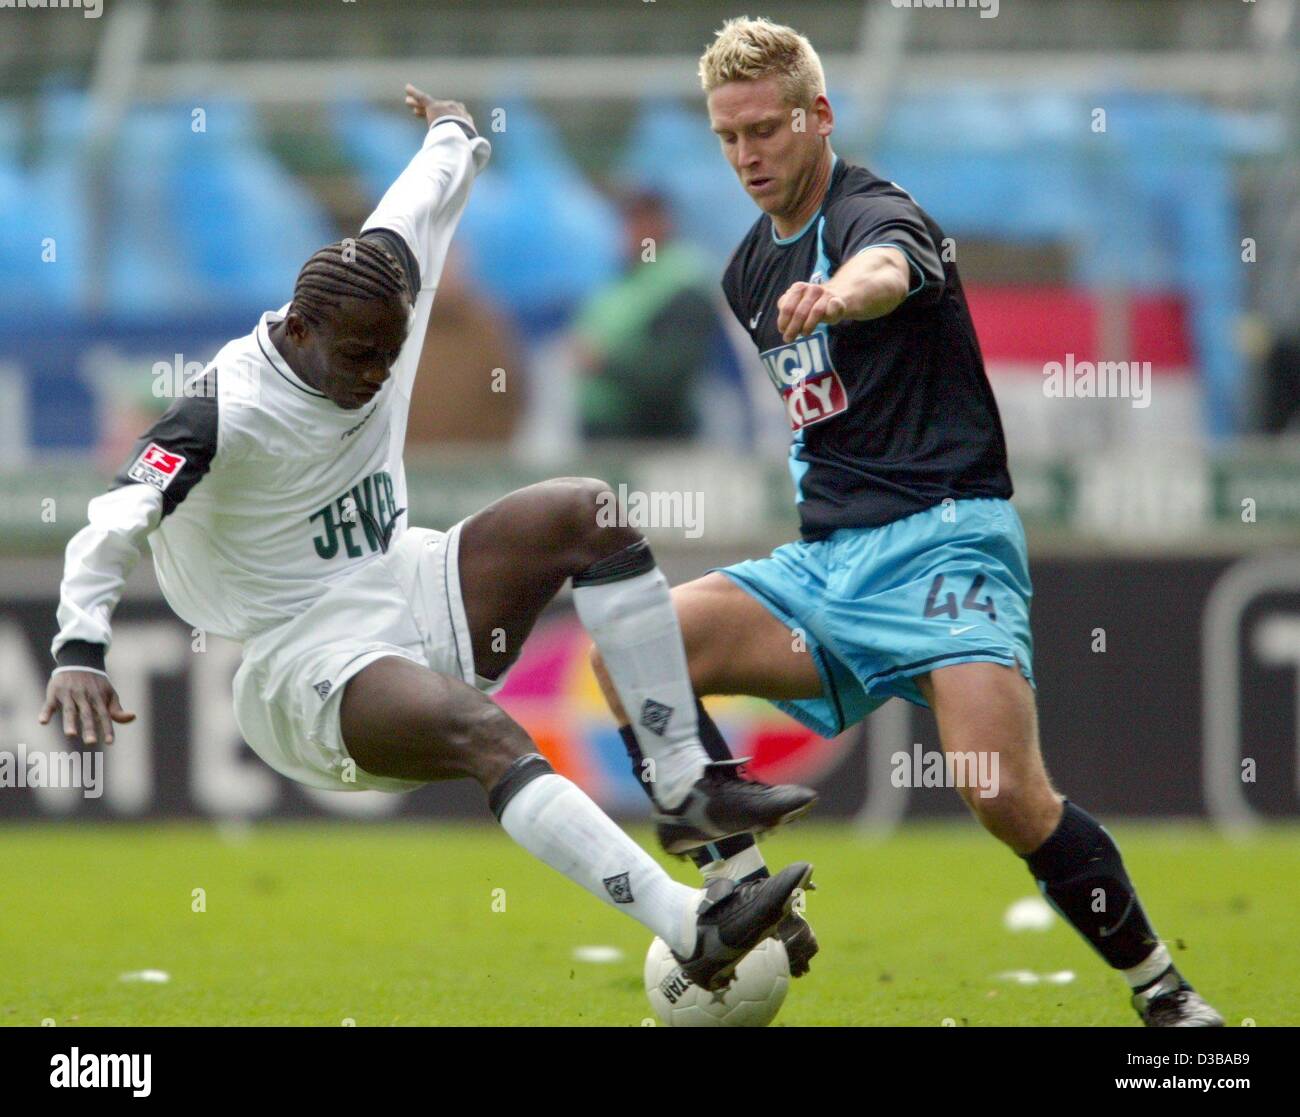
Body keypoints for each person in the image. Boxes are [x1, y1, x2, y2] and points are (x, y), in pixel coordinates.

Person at [38, 84, 815, 992]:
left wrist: (452, 126)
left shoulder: (385, 278)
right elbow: (114, 517)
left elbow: (428, 184)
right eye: (358, 356)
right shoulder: (224, 410)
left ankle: (692, 792)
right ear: (298, 329)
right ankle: (692, 922)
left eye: (389, 351)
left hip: (408, 579)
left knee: (585, 510)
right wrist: (79, 645)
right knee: (488, 731)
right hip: (300, 661)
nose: (376, 374)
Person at [591, 18, 1222, 1026]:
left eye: (766, 128)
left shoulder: (881, 213)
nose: (748, 154)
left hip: (945, 539)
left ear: (819, 116)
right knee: (634, 649)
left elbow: (884, 272)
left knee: (1000, 792)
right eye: (728, 136)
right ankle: (746, 888)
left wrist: (838, 296)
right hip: (828, 566)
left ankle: (1163, 991)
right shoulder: (746, 271)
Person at [573, 189, 720, 441]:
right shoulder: (622, 279)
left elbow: (667, 372)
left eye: (638, 222)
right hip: (603, 437)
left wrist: (604, 363)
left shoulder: (683, 283)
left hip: (653, 439)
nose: (628, 233)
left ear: (662, 224)